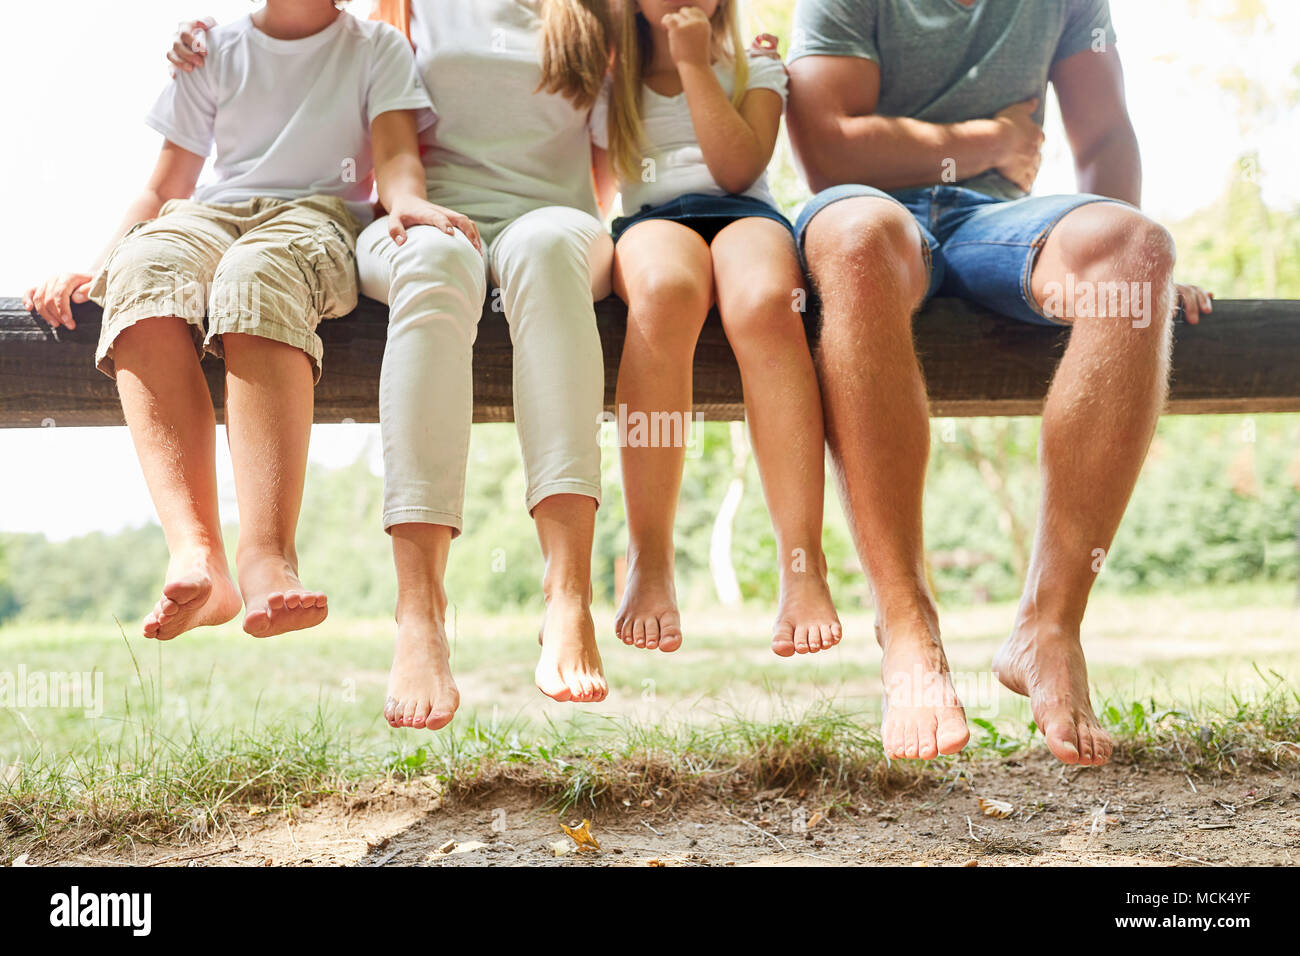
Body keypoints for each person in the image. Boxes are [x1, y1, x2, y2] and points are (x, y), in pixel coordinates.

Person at [784, 0, 1214, 763]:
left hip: (998, 223)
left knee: (1136, 250)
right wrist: (990, 138)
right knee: (855, 241)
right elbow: (828, 149)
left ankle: (1049, 629)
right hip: (869, 214)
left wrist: (1147, 270)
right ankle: (908, 630)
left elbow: (1106, 132)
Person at [168, 0, 616, 727]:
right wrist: (204, 39)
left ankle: (569, 594)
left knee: (540, 251)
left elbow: (615, 157)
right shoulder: (401, 7)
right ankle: (420, 613)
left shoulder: (598, 14)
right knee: (438, 261)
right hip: (420, 220)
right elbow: (310, 34)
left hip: (553, 218)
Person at [26, 0, 455, 647]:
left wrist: (409, 202)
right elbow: (167, 183)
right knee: (143, 268)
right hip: (213, 214)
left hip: (317, 214)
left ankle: (266, 557)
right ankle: (197, 554)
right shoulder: (209, 50)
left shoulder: (375, 48)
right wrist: (100, 267)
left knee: (256, 276)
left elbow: (396, 156)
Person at [595, 0, 841, 658]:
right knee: (663, 291)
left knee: (765, 301)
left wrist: (695, 65)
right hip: (652, 224)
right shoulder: (606, 76)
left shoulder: (755, 63)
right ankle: (649, 560)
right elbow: (591, 188)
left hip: (746, 214)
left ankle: (803, 564)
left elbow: (737, 170)